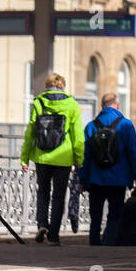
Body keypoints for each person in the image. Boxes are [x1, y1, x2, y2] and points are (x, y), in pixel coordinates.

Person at [21, 73, 84, 246]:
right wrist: (79, 158)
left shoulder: (39, 102)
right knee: (58, 196)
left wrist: (24, 157)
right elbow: (78, 136)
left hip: (41, 156)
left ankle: (42, 224)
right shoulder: (72, 105)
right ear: (63, 86)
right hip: (63, 158)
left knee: (43, 192)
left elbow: (30, 132)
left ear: (47, 85)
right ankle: (54, 235)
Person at [79, 92, 136, 246]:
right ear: (117, 105)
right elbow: (134, 152)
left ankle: (94, 242)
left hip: (95, 178)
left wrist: (82, 179)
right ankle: (109, 243)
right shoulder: (126, 125)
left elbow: (85, 156)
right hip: (118, 178)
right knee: (115, 214)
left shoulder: (91, 126)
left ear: (102, 106)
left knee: (95, 214)